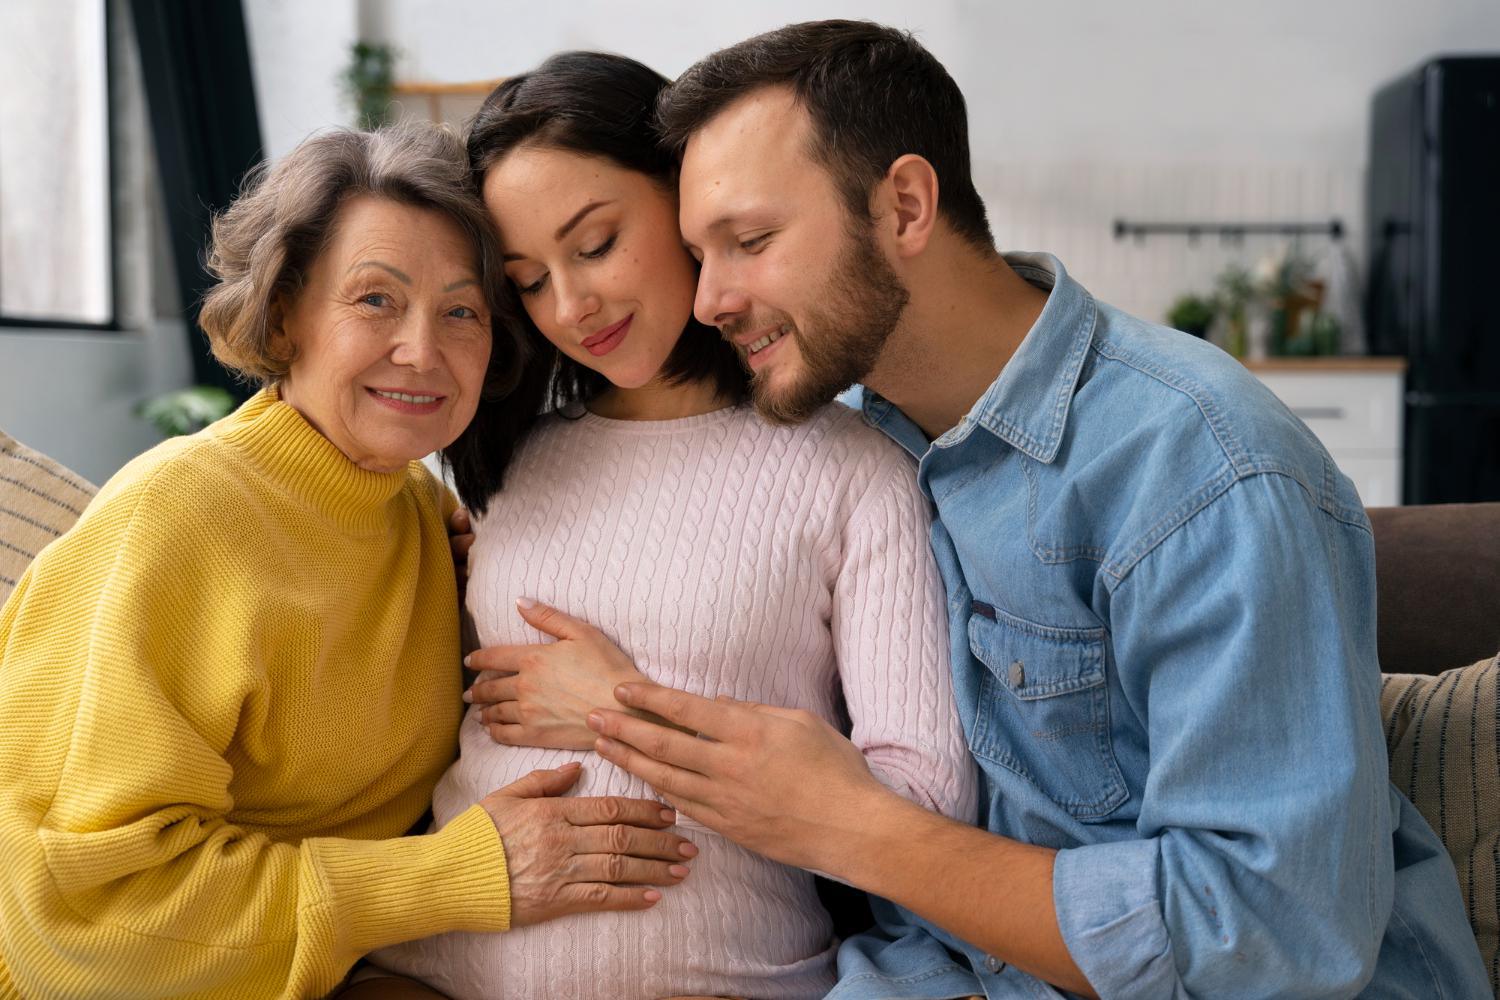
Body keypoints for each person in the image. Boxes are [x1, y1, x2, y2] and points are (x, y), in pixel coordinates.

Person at [496, 21, 1490, 1000]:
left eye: (750, 241)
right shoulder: (854, 441)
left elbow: (1270, 934)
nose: (709, 300)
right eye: (699, 254)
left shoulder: (1205, 468)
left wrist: (851, 824)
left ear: (906, 206)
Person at [0, 124, 697, 999]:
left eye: (461, 312)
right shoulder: (174, 519)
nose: (422, 351)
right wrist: (449, 876)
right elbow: (87, 923)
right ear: (286, 312)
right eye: (375, 300)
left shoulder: (423, 514)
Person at [366, 52, 976, 1000]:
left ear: (682, 197)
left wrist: (624, 712)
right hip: (436, 975)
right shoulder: (504, 460)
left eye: (597, 243)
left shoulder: (852, 470)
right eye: (528, 280)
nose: (571, 308)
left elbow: (925, 804)